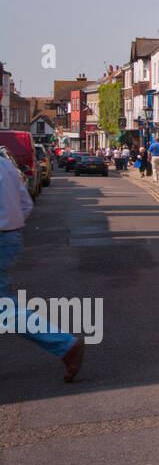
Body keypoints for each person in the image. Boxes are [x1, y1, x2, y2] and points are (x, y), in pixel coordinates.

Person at [0, 147, 84, 381]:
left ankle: (65, 344)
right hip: (10, 235)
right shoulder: (6, 164)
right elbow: (26, 204)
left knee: (4, 308)